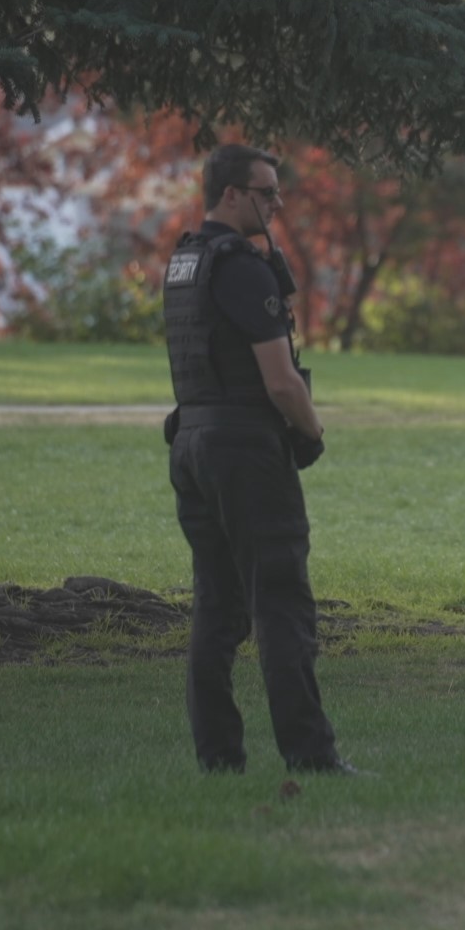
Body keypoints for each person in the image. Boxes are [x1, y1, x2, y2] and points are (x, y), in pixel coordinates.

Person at [162, 143, 353, 775]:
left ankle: (219, 758)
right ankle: (311, 755)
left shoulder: (186, 262)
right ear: (232, 195)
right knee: (281, 605)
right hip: (246, 450)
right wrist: (312, 429)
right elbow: (280, 381)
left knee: (217, 607)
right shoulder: (241, 267)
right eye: (267, 192)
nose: (277, 203)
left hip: (192, 442)